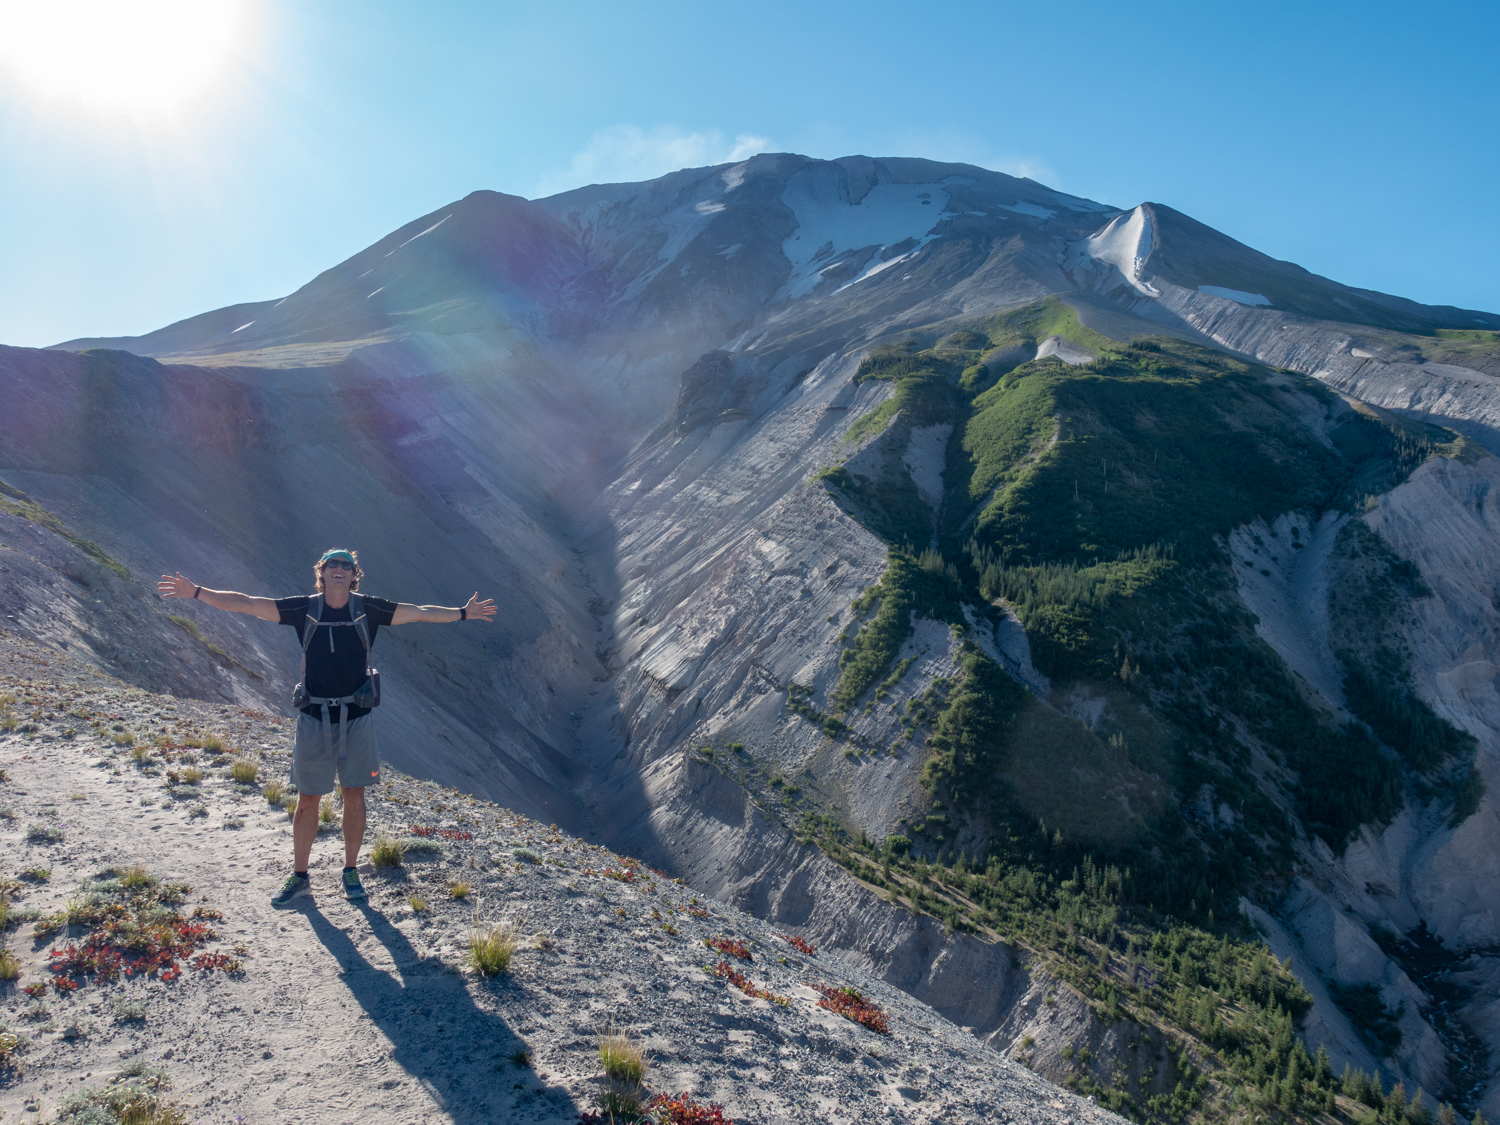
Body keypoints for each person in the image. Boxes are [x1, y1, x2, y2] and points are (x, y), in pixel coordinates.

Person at [157, 549, 496, 906]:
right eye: (332, 565)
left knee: (355, 795)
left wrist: (462, 613)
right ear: (321, 573)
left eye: (345, 566)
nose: (338, 570)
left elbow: (420, 613)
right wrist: (197, 592)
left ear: (354, 575)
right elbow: (247, 603)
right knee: (308, 800)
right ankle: (300, 875)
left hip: (357, 717)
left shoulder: (370, 609)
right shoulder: (303, 608)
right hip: (315, 717)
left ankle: (350, 870)